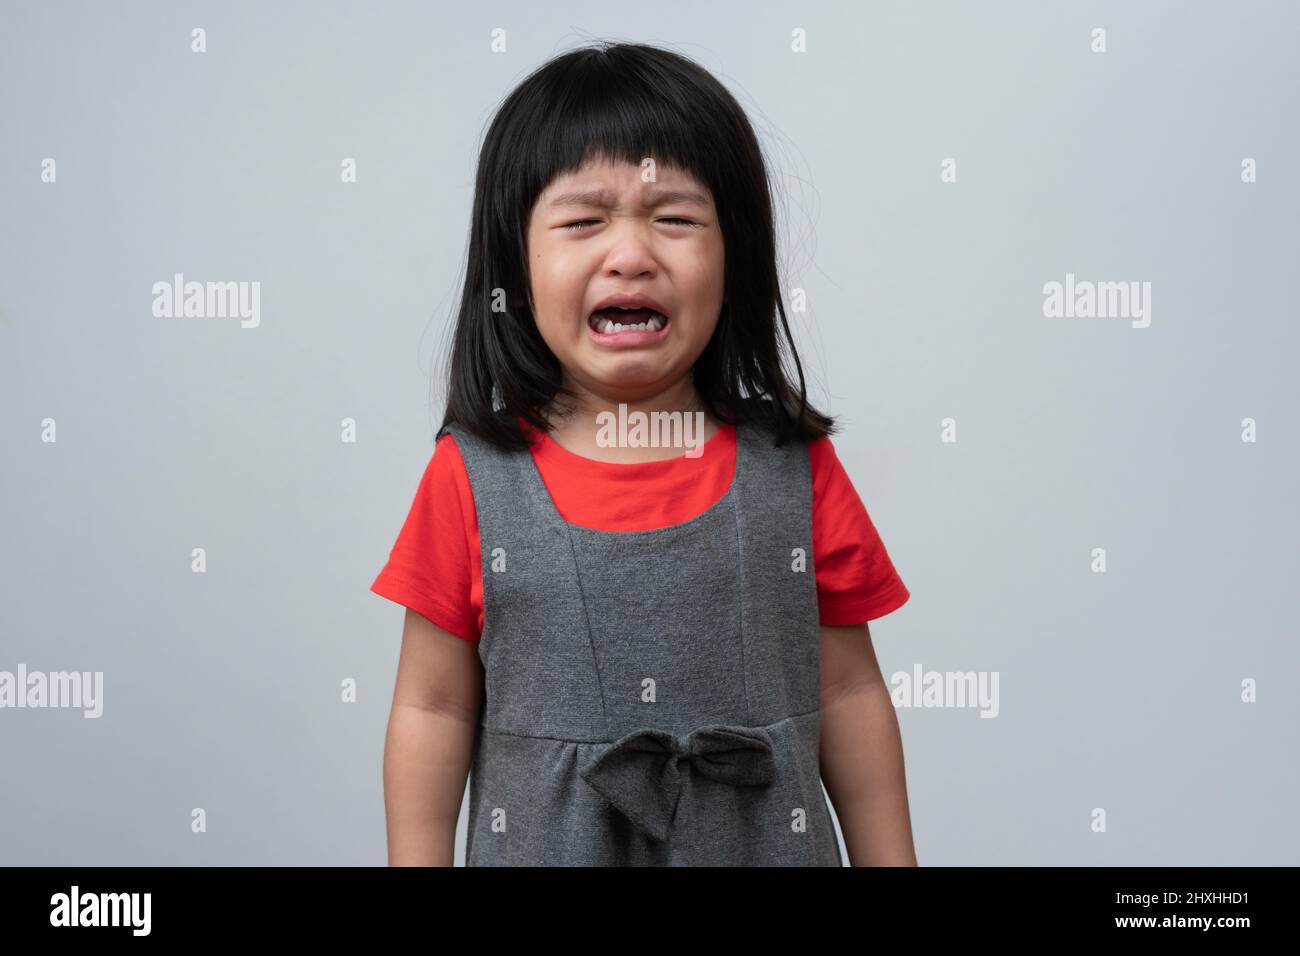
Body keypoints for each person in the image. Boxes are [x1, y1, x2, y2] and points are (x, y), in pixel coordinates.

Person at [372, 41, 917, 866]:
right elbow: (432, 710)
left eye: (676, 219)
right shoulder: (475, 477)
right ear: (516, 269)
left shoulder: (791, 470)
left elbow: (846, 689)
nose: (631, 253)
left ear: (735, 261)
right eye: (583, 221)